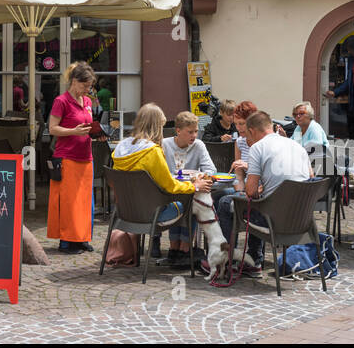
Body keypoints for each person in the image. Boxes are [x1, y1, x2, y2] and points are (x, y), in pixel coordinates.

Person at [215, 107, 313, 276]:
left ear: (252, 130)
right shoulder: (297, 146)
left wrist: (247, 181)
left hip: (272, 220)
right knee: (258, 202)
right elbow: (310, 178)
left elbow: (251, 192)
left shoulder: (258, 148)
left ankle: (225, 261)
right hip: (302, 219)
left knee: (226, 203)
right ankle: (253, 259)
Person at [112, 104, 215, 263]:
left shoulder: (120, 147)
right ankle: (182, 251)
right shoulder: (153, 151)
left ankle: (174, 249)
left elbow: (113, 182)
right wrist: (195, 186)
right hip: (151, 215)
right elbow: (170, 186)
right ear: (156, 126)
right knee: (186, 203)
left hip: (126, 212)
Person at [47, 62, 98, 254]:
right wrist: (73, 131)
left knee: (85, 202)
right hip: (67, 157)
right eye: (85, 86)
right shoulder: (61, 101)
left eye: (89, 86)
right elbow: (52, 128)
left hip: (86, 157)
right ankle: (67, 241)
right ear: (75, 81)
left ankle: (82, 238)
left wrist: (96, 133)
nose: (88, 89)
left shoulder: (87, 102)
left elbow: (87, 127)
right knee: (69, 202)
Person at [157, 111, 218, 266]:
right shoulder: (164, 145)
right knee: (185, 202)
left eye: (196, 131)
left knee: (191, 200)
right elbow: (160, 173)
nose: (194, 136)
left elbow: (211, 170)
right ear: (178, 131)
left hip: (190, 189)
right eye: (190, 132)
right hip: (170, 192)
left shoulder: (198, 146)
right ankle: (176, 248)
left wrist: (199, 175)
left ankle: (182, 249)